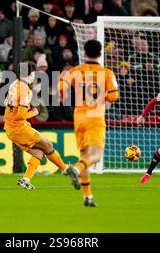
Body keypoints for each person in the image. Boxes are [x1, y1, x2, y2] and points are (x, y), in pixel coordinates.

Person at [59, 40, 119, 207]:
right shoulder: (106, 72)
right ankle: (76, 169)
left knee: (85, 155)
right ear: (101, 54)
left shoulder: (75, 71)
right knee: (95, 156)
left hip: (78, 117)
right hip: (95, 117)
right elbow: (114, 96)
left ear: (84, 53)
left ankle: (88, 196)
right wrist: (103, 96)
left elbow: (61, 86)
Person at [4, 61, 68, 190]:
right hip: (19, 128)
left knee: (38, 152)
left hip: (10, 128)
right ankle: (65, 170)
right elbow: (21, 114)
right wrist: (34, 111)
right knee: (48, 145)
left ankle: (25, 180)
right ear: (31, 74)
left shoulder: (13, 84)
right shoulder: (25, 90)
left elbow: (6, 102)